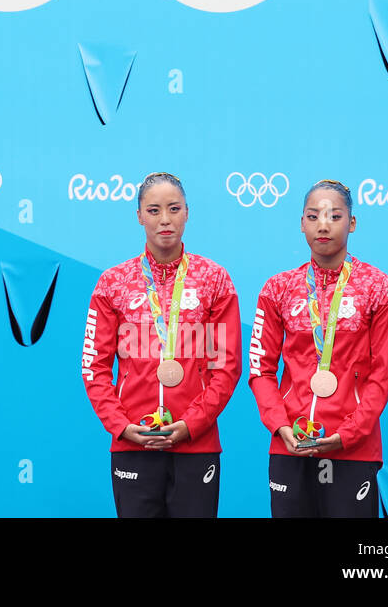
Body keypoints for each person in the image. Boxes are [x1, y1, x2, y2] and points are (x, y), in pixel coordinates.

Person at [81, 172, 241, 517]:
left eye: (174, 208)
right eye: (153, 210)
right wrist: (121, 426)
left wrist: (192, 424)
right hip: (132, 443)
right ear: (139, 216)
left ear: (187, 212)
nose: (164, 219)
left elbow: (225, 367)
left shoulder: (215, 279)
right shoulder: (113, 283)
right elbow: (94, 366)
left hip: (196, 444)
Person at [249, 179, 388, 517]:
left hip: (353, 449)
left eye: (334, 216)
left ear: (351, 223)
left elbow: (384, 377)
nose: (323, 225)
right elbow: (260, 370)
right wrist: (280, 426)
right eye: (313, 216)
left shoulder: (381, 290)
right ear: (302, 223)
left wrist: (348, 433)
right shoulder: (277, 289)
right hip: (289, 445)